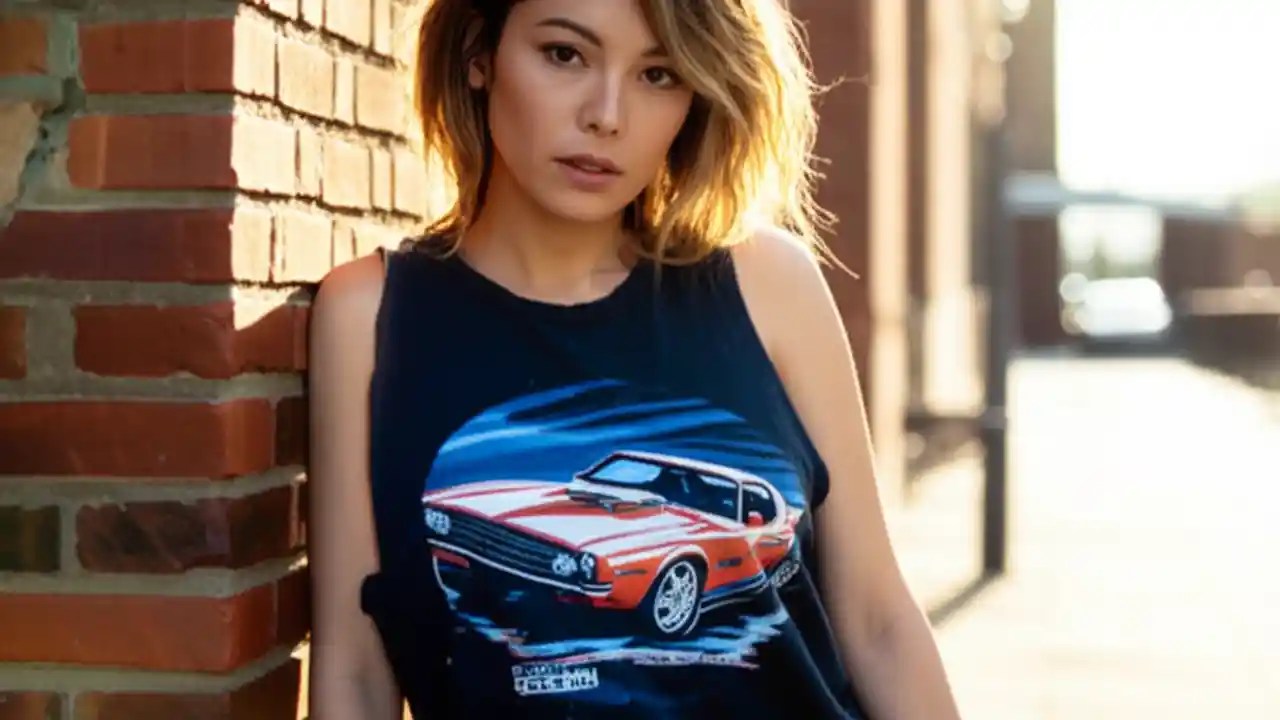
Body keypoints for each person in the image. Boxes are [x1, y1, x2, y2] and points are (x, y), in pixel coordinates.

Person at [307, 0, 962, 718]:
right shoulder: (370, 317)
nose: (608, 115)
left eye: (659, 73)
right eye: (565, 55)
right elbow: (355, 668)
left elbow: (878, 621)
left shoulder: (768, 284)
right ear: (478, 53)